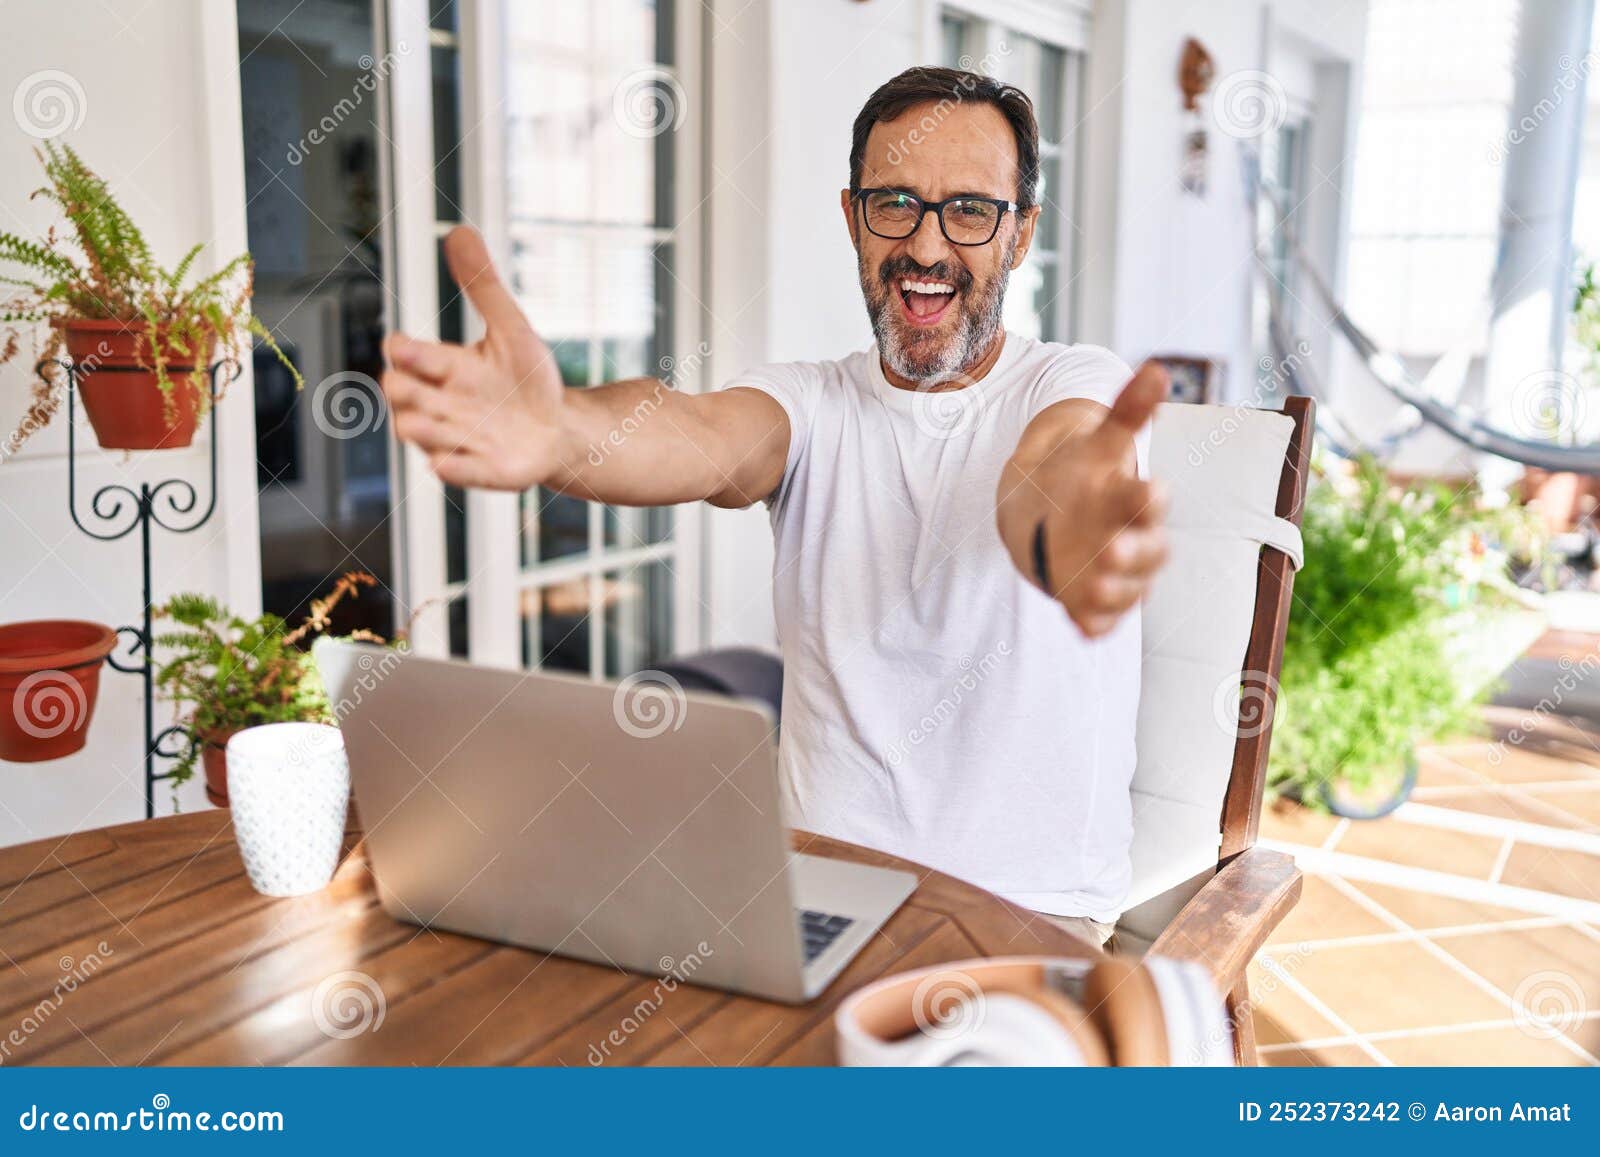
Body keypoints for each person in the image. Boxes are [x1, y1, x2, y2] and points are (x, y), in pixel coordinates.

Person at [380, 66, 1170, 948]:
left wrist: (1072, 534)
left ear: (1020, 235)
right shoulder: (810, 403)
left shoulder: (1071, 383)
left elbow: (1050, 472)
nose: (928, 245)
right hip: (814, 895)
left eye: (972, 210)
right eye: (896, 202)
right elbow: (701, 436)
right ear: (851, 217)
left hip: (1029, 914)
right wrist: (563, 432)